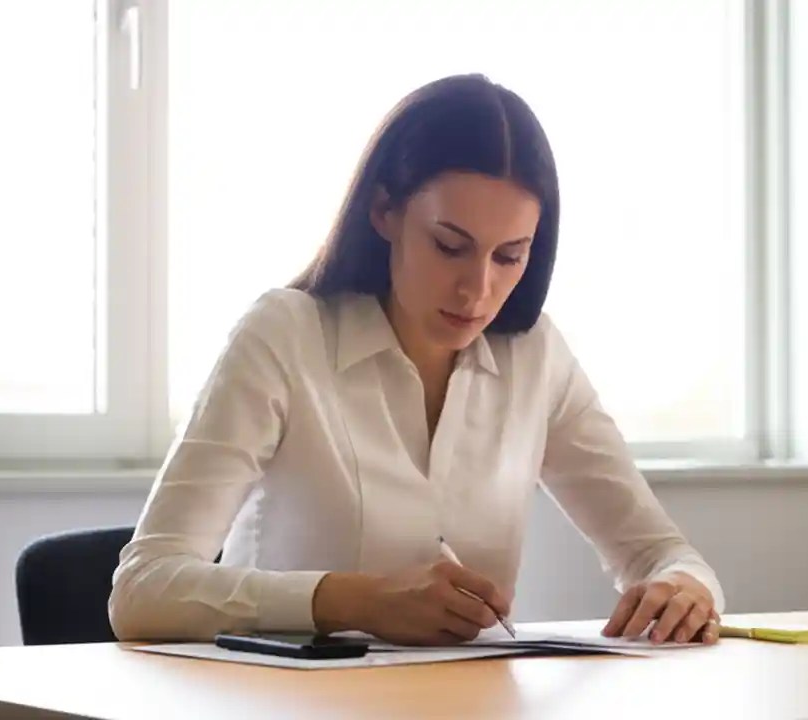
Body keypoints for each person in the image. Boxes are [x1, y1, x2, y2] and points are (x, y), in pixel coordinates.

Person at [109, 73, 725, 647]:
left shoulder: (535, 356)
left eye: (509, 256)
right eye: (449, 246)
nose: (476, 289)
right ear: (384, 212)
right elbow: (142, 590)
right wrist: (353, 600)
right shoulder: (284, 336)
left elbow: (660, 553)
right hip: (293, 707)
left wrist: (686, 590)